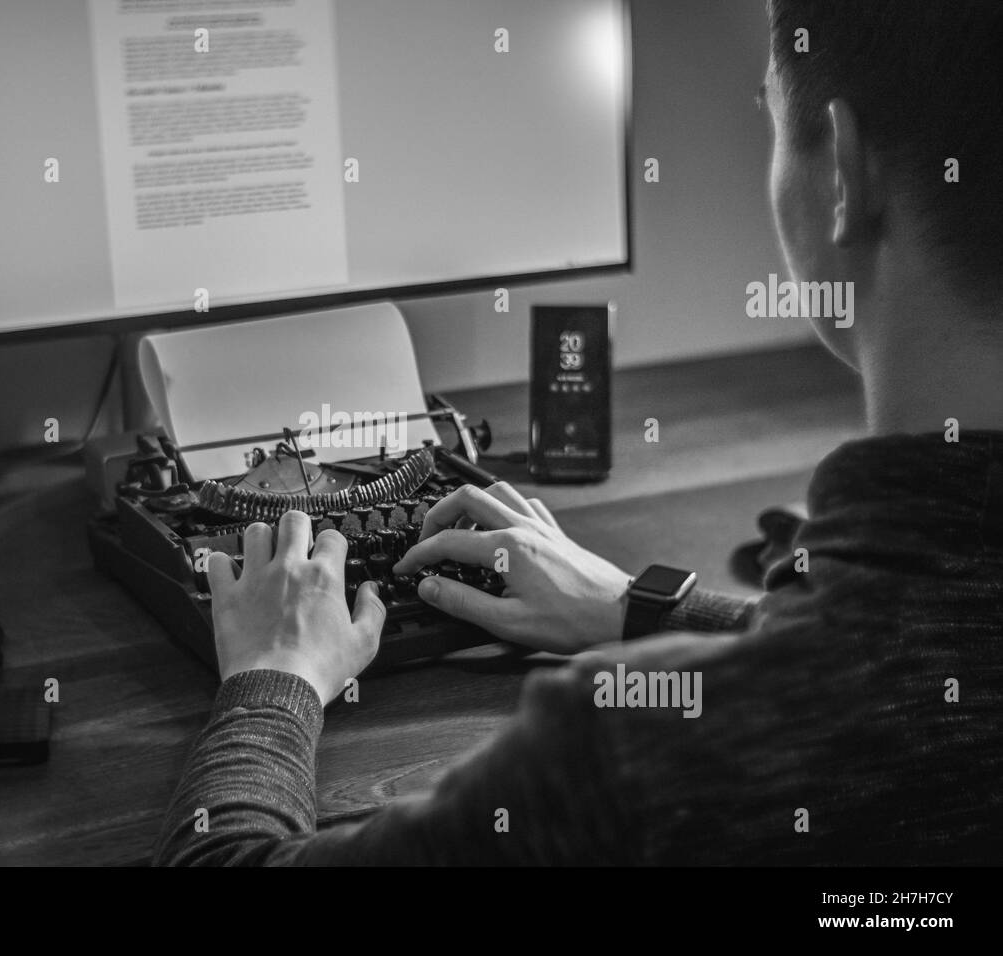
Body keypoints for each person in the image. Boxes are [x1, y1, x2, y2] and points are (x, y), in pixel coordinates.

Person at [154, 0, 1003, 865]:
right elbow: (894, 659)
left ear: (842, 178)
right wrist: (641, 609)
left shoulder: (632, 760)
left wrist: (273, 678)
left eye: (770, 119)